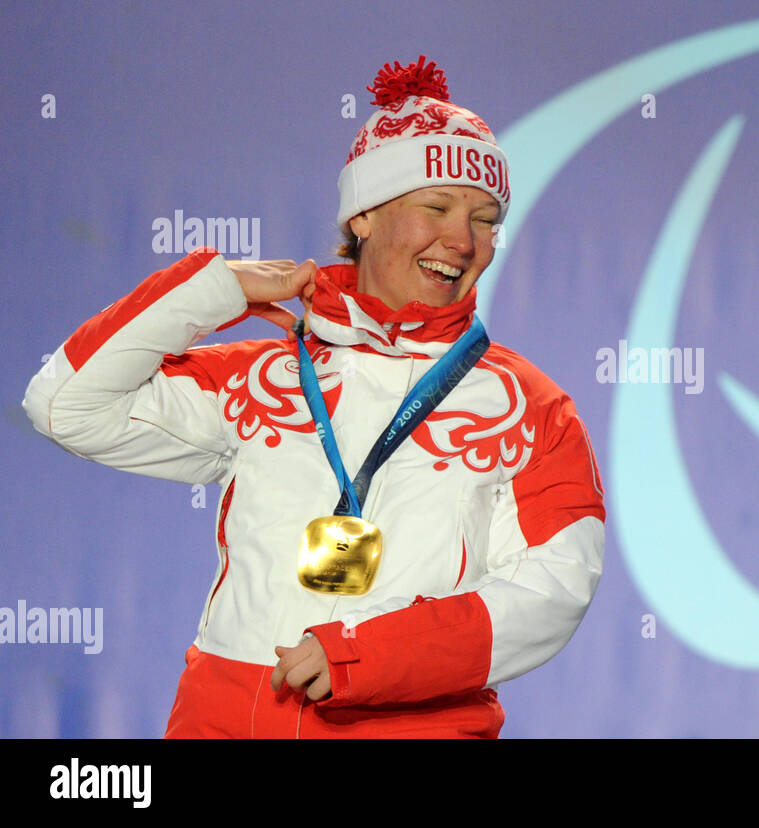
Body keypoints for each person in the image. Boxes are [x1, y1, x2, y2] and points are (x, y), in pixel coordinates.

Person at [22, 56, 605, 738]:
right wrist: (217, 288)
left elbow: (555, 586)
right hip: (223, 718)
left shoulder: (527, 405)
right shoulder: (262, 377)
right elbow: (64, 403)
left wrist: (372, 655)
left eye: (486, 219)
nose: (462, 241)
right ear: (362, 215)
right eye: (436, 207)